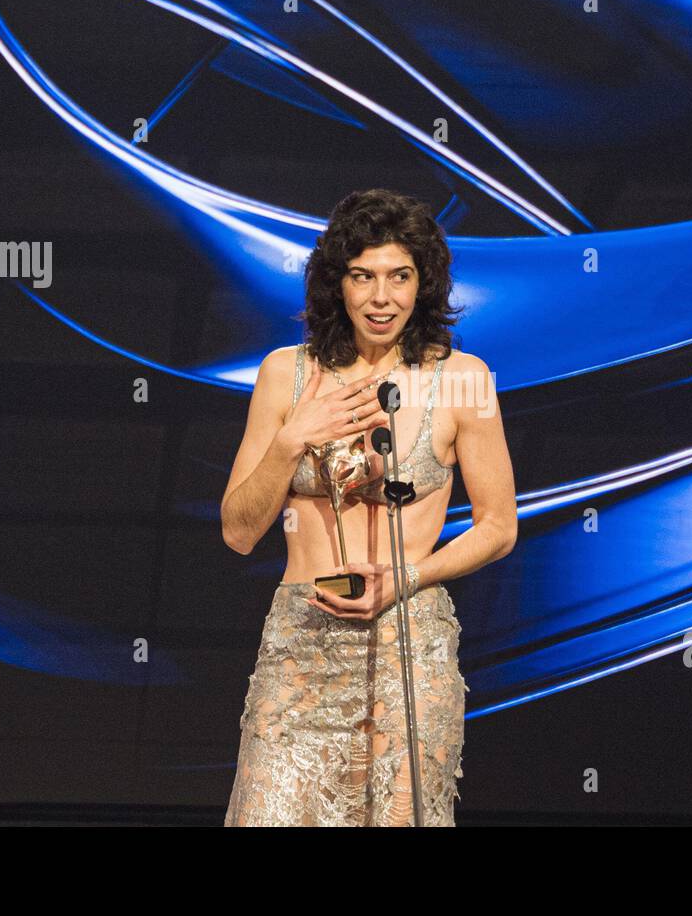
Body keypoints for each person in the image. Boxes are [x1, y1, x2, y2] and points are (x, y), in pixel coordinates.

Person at [219, 189, 518, 826]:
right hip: (300, 648)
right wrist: (293, 436)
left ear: (423, 284)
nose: (381, 298)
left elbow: (498, 526)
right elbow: (239, 531)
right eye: (363, 277)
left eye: (399, 277)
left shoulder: (465, 380)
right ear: (338, 285)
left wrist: (405, 579)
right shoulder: (284, 375)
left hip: (410, 643)